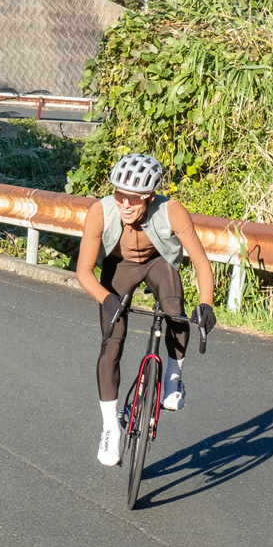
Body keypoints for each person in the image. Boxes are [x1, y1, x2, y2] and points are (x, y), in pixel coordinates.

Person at [75, 152, 218, 467]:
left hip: (157, 263)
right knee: (112, 341)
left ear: (150, 197)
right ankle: (110, 427)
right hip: (119, 266)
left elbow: (200, 262)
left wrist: (206, 302)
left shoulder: (171, 212)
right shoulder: (100, 212)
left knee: (173, 307)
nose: (125, 204)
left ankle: (174, 374)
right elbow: (84, 271)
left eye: (135, 199)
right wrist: (107, 298)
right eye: (119, 195)